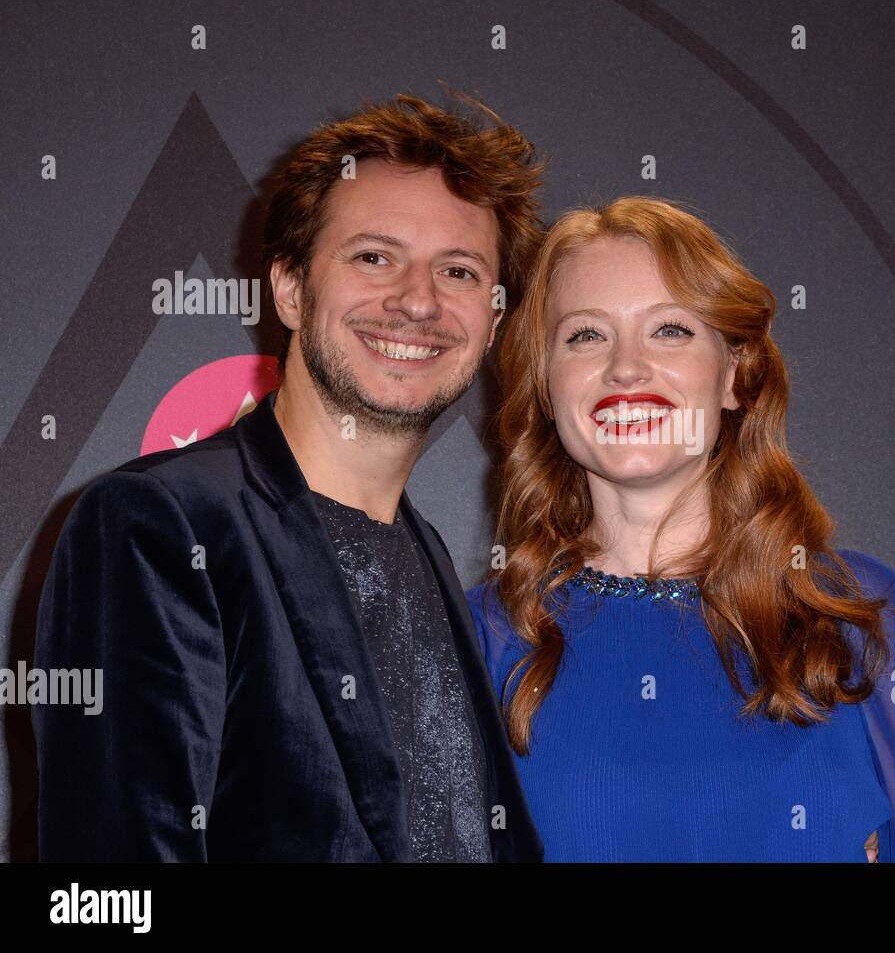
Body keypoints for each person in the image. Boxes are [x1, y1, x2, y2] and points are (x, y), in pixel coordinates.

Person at [33, 93, 546, 862]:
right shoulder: (157, 525)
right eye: (374, 256)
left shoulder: (429, 555)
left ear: (495, 319)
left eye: (460, 271)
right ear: (290, 289)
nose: (417, 299)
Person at [468, 196, 895, 862]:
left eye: (670, 328)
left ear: (734, 374)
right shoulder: (483, 635)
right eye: (586, 334)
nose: (626, 368)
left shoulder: (855, 612)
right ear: (546, 386)